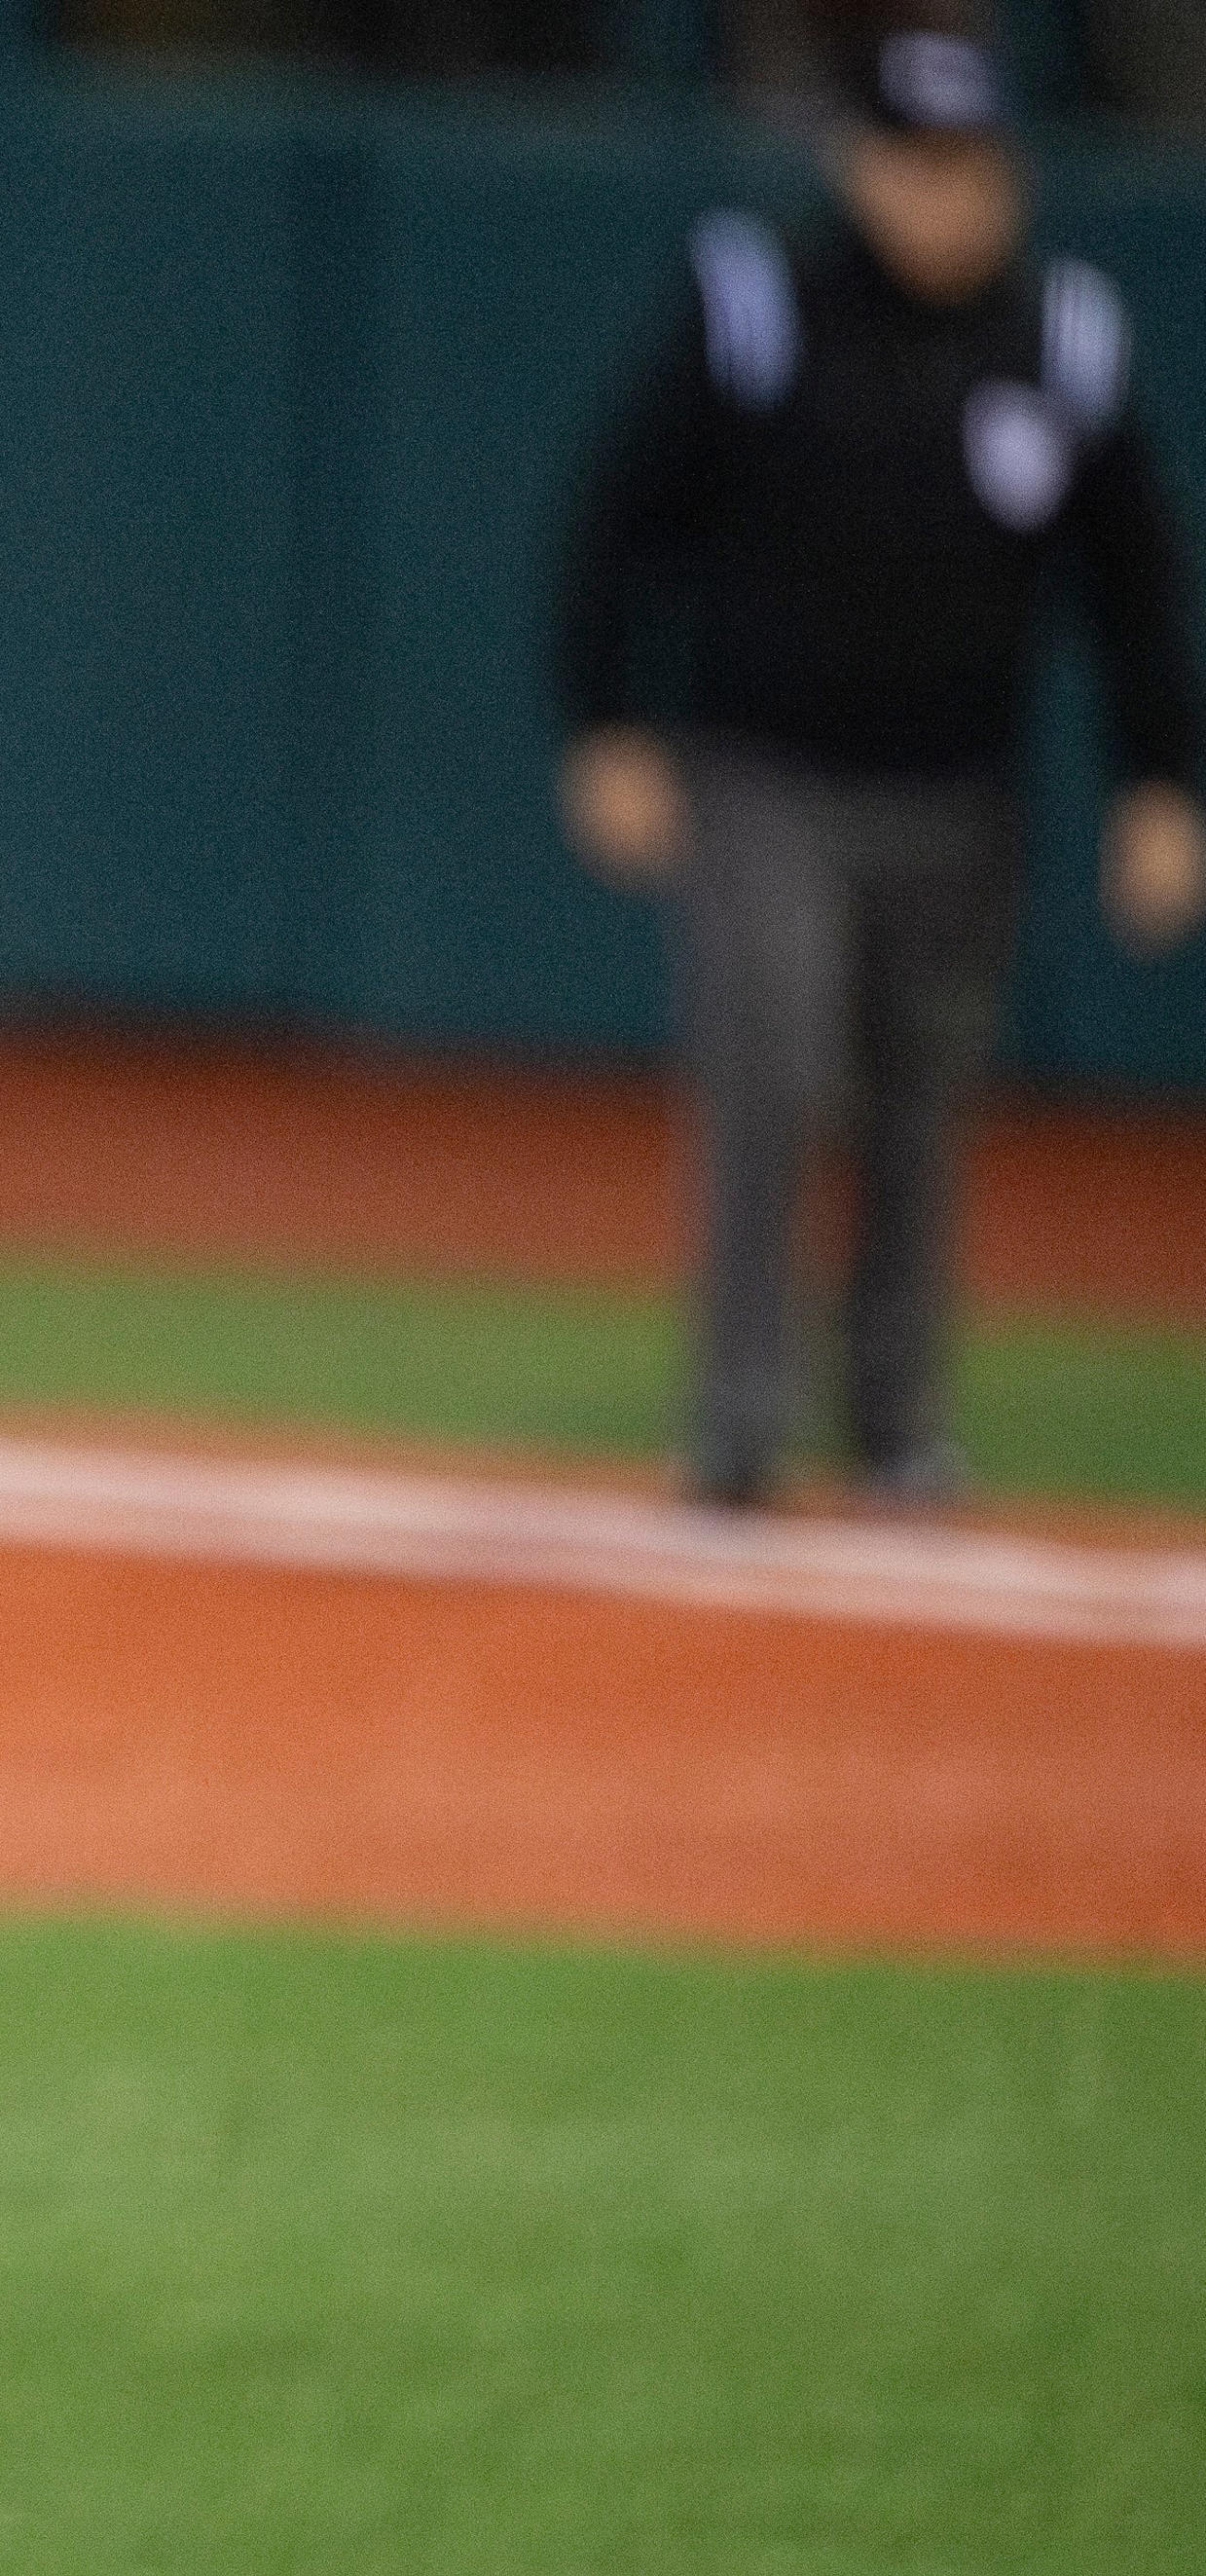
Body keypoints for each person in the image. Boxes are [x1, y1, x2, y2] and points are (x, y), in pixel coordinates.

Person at [556, 23, 1203, 1510]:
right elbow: (617, 521)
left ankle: (901, 1422)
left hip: (958, 790)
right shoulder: (762, 306)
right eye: (916, 165)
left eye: (973, 168)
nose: (945, 199)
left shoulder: (1061, 339)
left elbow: (1137, 582)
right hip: (767, 776)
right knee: (775, 1080)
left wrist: (1160, 778)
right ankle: (737, 1422)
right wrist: (605, 720)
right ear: (857, 165)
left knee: (921, 1109)